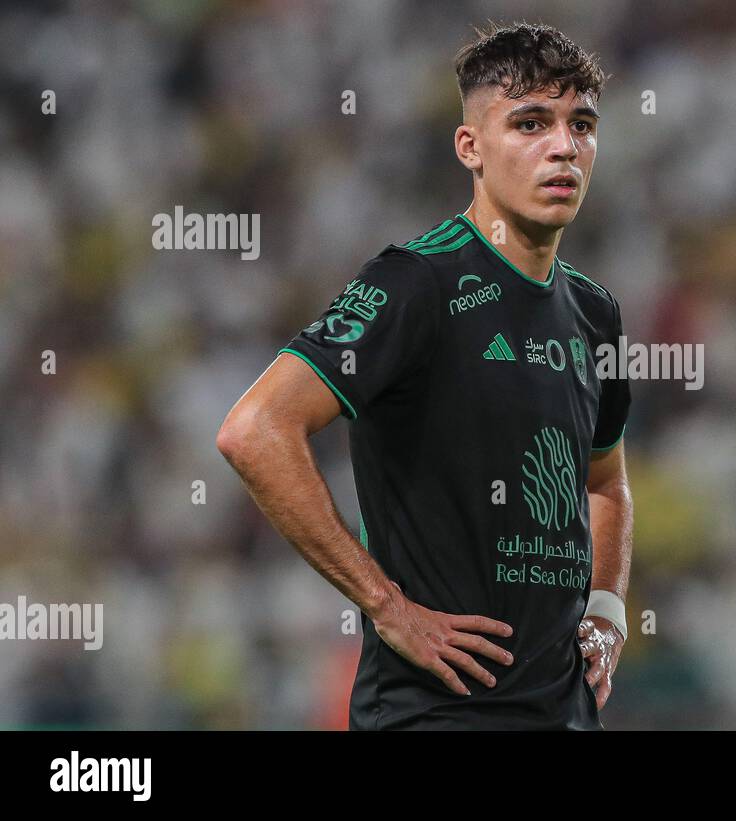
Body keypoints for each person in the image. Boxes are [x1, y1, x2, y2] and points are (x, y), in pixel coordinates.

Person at [216, 21, 633, 730]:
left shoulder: (595, 313)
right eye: (530, 122)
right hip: (432, 711)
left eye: (581, 124)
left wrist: (607, 607)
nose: (564, 146)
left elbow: (604, 483)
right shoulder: (418, 283)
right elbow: (255, 429)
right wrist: (387, 606)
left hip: (562, 712)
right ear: (470, 147)